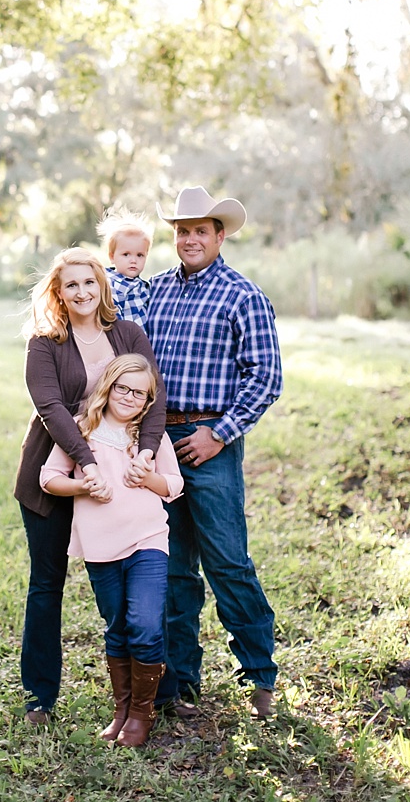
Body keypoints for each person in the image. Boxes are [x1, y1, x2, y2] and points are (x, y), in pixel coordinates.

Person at [142, 185, 283, 721]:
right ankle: (179, 681)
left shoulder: (242, 295)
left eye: (201, 230)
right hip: (158, 441)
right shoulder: (155, 292)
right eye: (182, 231)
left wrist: (219, 434)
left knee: (226, 561)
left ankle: (260, 675)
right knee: (173, 567)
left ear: (220, 236)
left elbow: (266, 377)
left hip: (210, 441)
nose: (190, 239)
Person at [15, 247, 167, 725]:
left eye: (89, 282)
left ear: (102, 285)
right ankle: (40, 697)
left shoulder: (128, 334)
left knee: (140, 582)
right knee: (46, 583)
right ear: (58, 294)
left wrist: (145, 450)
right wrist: (84, 465)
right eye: (71, 285)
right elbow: (51, 407)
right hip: (56, 469)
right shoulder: (45, 343)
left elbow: (154, 398)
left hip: (120, 478)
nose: (81, 292)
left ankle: (153, 695)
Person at [39, 352, 184, 748]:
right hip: (100, 546)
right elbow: (48, 478)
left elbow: (174, 485)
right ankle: (121, 709)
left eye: (140, 394)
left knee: (145, 624)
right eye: (124, 388)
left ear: (149, 401)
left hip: (147, 540)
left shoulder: (149, 440)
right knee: (118, 626)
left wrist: (150, 477)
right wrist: (82, 485)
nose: (130, 398)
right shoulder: (81, 431)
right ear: (109, 386)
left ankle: (142, 713)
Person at [98, 205, 155, 327]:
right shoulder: (109, 284)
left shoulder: (144, 286)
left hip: (142, 342)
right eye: (126, 254)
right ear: (112, 257)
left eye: (140, 255)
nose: (133, 260)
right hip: (121, 340)